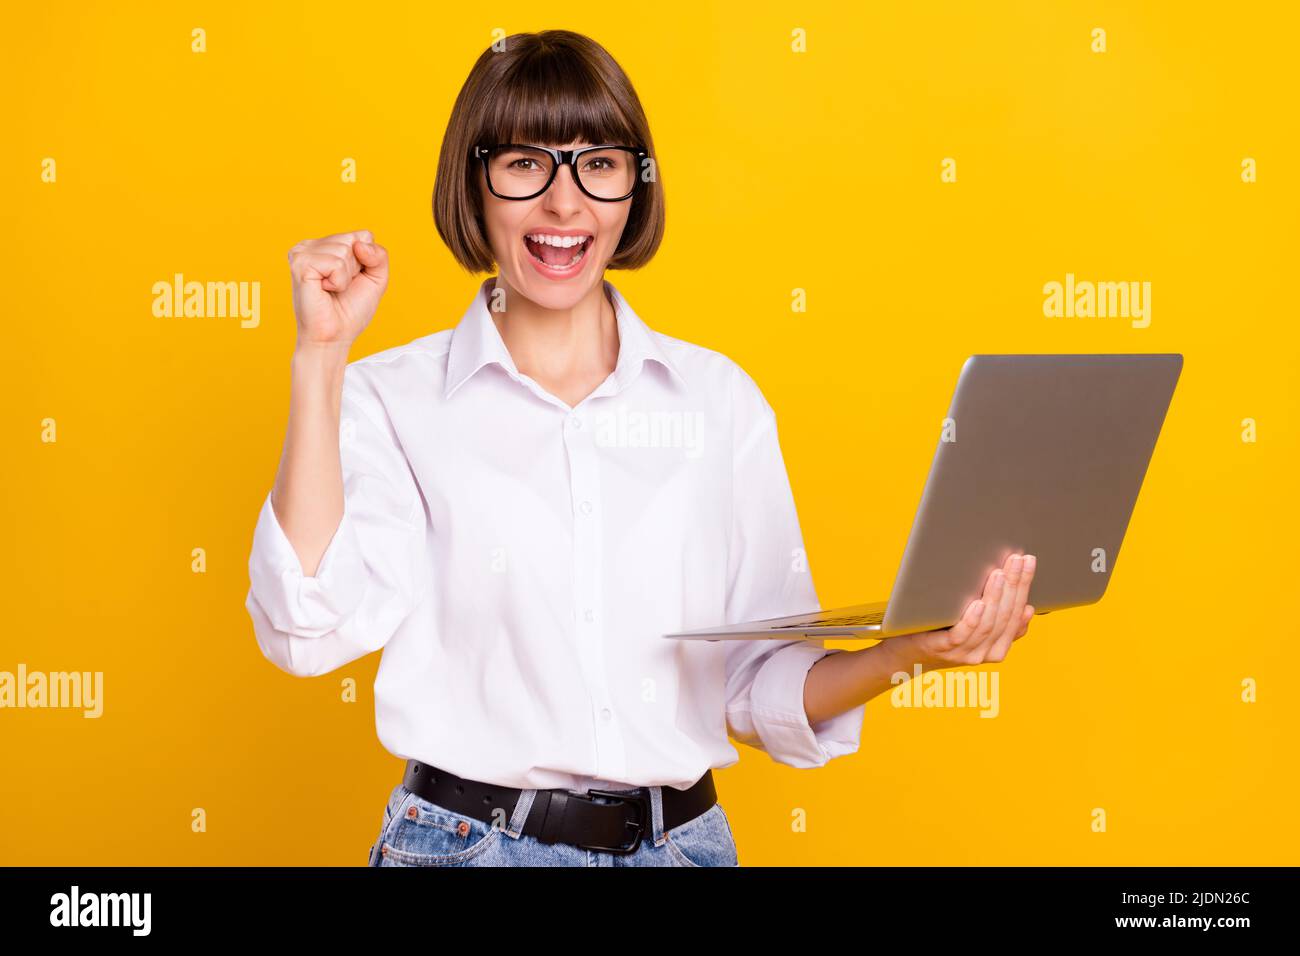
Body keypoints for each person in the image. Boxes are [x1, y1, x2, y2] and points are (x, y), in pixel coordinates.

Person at [244, 29, 1036, 868]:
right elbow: (307, 628)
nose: (564, 203)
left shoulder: (717, 401)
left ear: (634, 188)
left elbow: (755, 684)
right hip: (465, 849)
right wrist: (321, 357)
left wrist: (913, 652)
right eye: (524, 164)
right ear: (473, 186)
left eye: (600, 164)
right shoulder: (390, 400)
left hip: (684, 849)